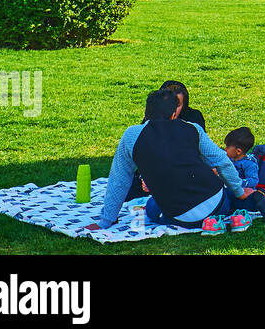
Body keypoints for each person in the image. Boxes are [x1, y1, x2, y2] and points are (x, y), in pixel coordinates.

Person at [94, 90, 256, 231]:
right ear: (174, 114)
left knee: (152, 206)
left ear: (146, 113)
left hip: (180, 216)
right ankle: (245, 203)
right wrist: (239, 191)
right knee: (228, 195)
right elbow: (223, 161)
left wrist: (107, 220)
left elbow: (119, 179)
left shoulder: (131, 135)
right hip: (216, 206)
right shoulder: (193, 128)